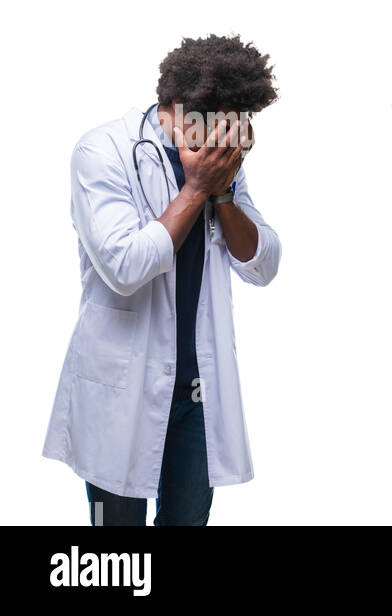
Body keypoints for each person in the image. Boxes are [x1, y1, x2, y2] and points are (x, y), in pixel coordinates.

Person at [43, 35, 282, 525]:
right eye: (221, 123)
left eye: (237, 124)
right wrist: (196, 188)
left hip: (197, 393)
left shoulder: (222, 166)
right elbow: (125, 266)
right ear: (179, 110)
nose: (231, 137)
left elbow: (263, 262)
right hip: (123, 388)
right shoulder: (103, 151)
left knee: (189, 519)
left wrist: (223, 196)